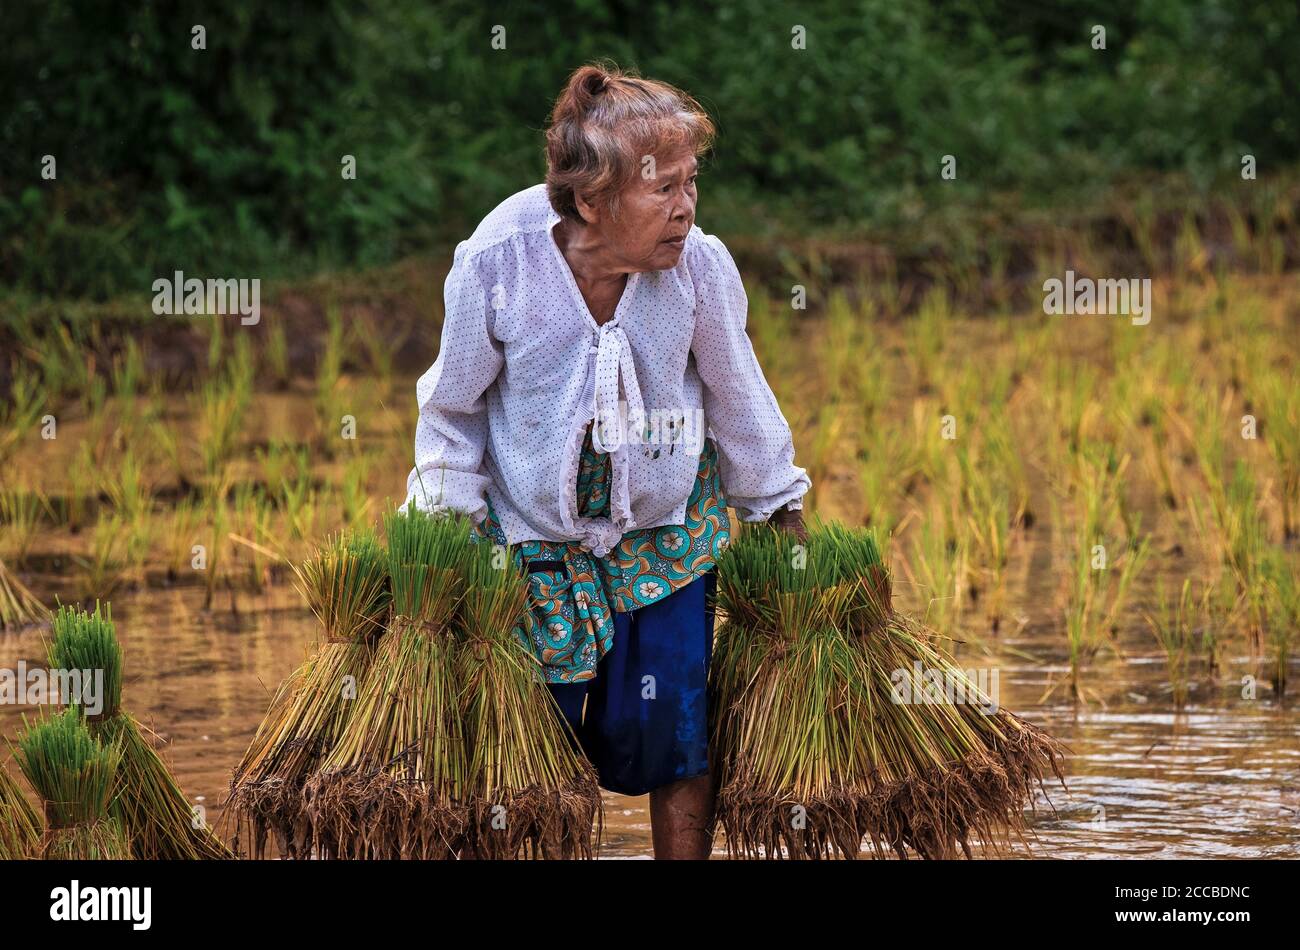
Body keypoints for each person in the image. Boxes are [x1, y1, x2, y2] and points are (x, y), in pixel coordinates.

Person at [405, 62, 809, 859]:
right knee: (530, 752)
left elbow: (739, 394)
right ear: (590, 200)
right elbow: (451, 407)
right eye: (663, 189)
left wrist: (781, 510)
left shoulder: (699, 267)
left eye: (692, 184)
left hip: (667, 531)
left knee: (678, 731)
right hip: (533, 541)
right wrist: (445, 532)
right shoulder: (498, 263)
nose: (685, 208)